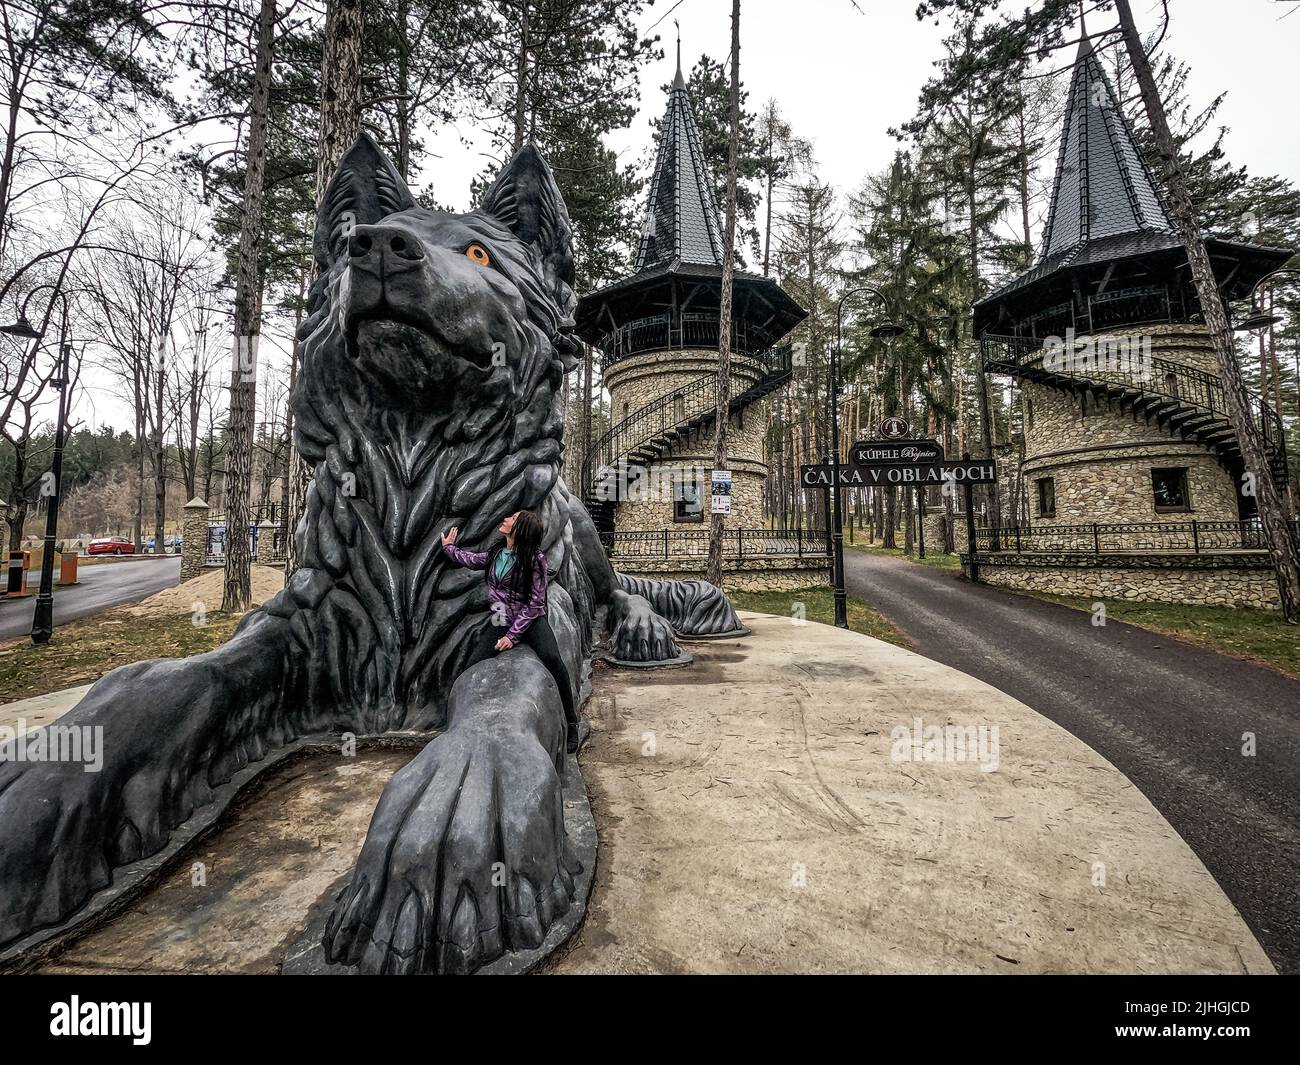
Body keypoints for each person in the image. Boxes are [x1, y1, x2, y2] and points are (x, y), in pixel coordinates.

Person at [441, 510, 580, 753]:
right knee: (473, 663)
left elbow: (536, 603)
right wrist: (450, 548)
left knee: (552, 658)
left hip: (532, 620)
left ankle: (571, 721)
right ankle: (454, 725)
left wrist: (512, 636)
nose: (505, 519)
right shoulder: (496, 553)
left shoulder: (535, 560)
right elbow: (472, 560)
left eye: (512, 519)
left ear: (520, 529)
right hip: (500, 618)